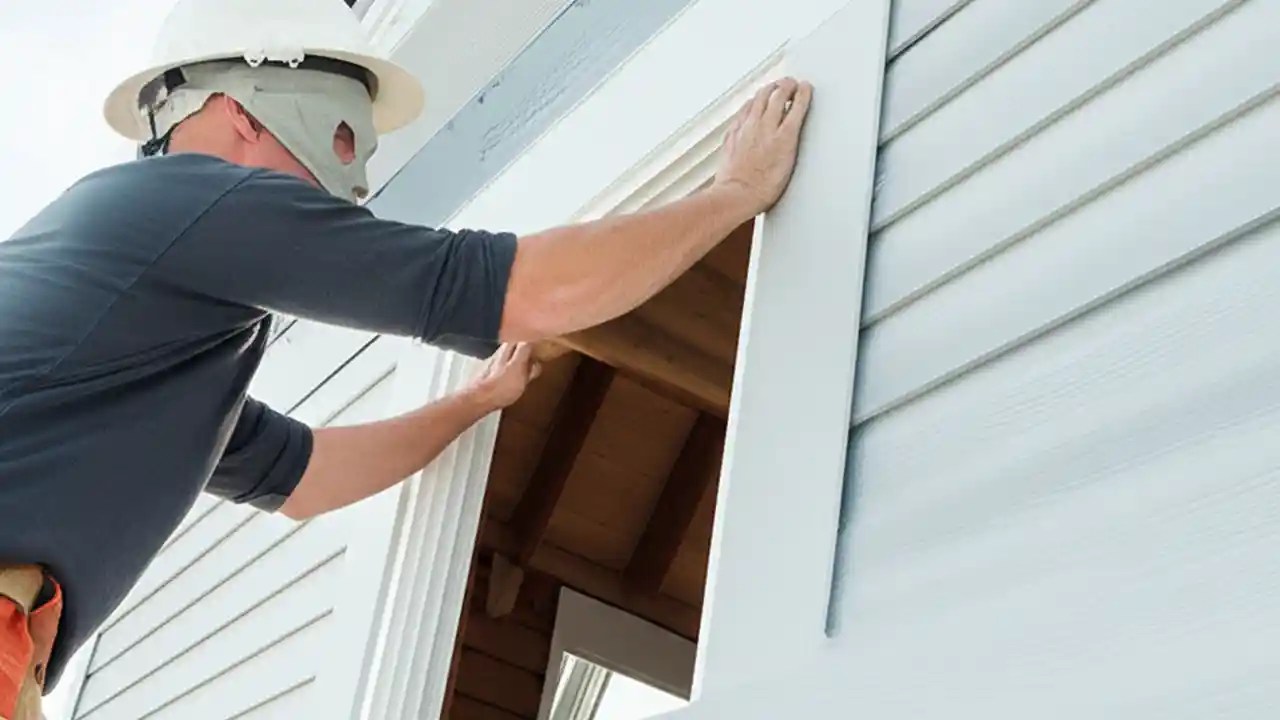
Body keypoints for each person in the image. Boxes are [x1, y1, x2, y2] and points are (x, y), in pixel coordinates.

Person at [0, 0, 812, 716]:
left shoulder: (154, 318)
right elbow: (512, 289)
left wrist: (473, 403)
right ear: (241, 110)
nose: (353, 181)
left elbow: (307, 478)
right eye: (343, 132)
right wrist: (733, 196)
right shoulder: (188, 201)